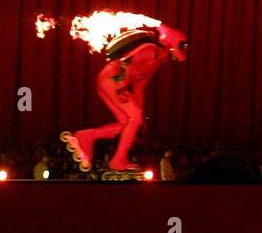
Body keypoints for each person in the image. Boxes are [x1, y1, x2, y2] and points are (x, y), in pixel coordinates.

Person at [62, 23, 188, 172]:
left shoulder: (155, 63)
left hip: (108, 81)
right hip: (112, 80)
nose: (171, 59)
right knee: (134, 118)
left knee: (127, 123)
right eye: (173, 54)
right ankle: (118, 160)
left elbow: (139, 87)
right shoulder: (151, 51)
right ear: (169, 45)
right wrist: (122, 85)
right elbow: (126, 62)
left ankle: (86, 136)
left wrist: (139, 114)